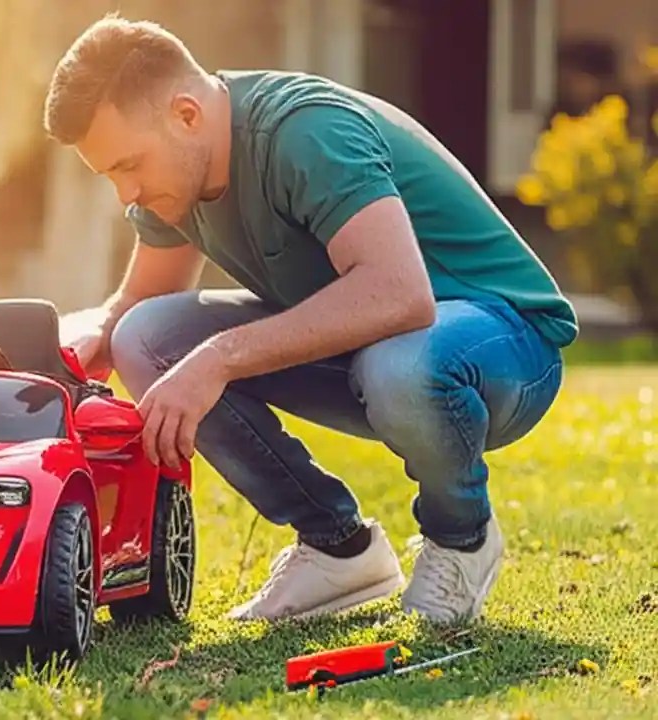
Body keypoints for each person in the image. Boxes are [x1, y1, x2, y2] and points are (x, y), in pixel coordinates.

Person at [43, 16, 577, 624]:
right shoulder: (175, 176)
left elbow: (400, 295)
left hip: (504, 345)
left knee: (397, 363)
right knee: (143, 338)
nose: (125, 193)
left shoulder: (302, 131)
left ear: (187, 114)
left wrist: (219, 358)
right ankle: (339, 549)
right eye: (111, 173)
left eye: (128, 165)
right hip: (377, 352)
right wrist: (95, 335)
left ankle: (462, 541)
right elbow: (139, 306)